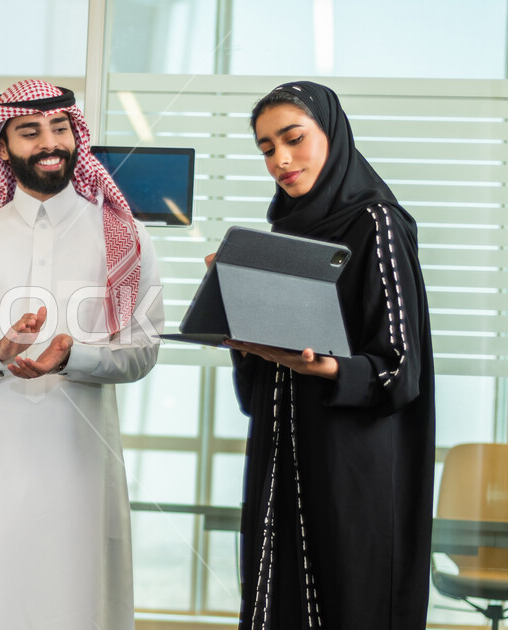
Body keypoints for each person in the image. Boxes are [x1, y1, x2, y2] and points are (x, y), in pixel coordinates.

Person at [0, 80, 163, 630]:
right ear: (2, 147)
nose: (51, 143)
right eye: (30, 131)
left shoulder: (124, 240)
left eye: (61, 128)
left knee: (77, 604)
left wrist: (75, 358)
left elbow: (142, 353)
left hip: (80, 470)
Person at [225, 81, 435, 630]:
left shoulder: (376, 223)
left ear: (333, 135)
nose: (281, 160)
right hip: (282, 457)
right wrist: (241, 332)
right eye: (267, 149)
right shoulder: (280, 237)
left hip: (351, 467)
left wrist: (331, 368)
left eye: (293, 138)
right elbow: (258, 392)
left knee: (349, 603)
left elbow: (399, 366)